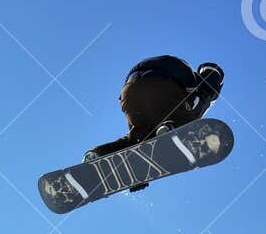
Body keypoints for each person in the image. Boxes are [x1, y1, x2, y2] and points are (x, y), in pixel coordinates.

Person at [87, 55, 224, 161]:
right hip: (161, 85)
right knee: (194, 115)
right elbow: (209, 81)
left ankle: (97, 154)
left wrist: (138, 173)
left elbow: (145, 151)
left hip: (129, 93)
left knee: (136, 139)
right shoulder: (196, 80)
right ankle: (171, 129)